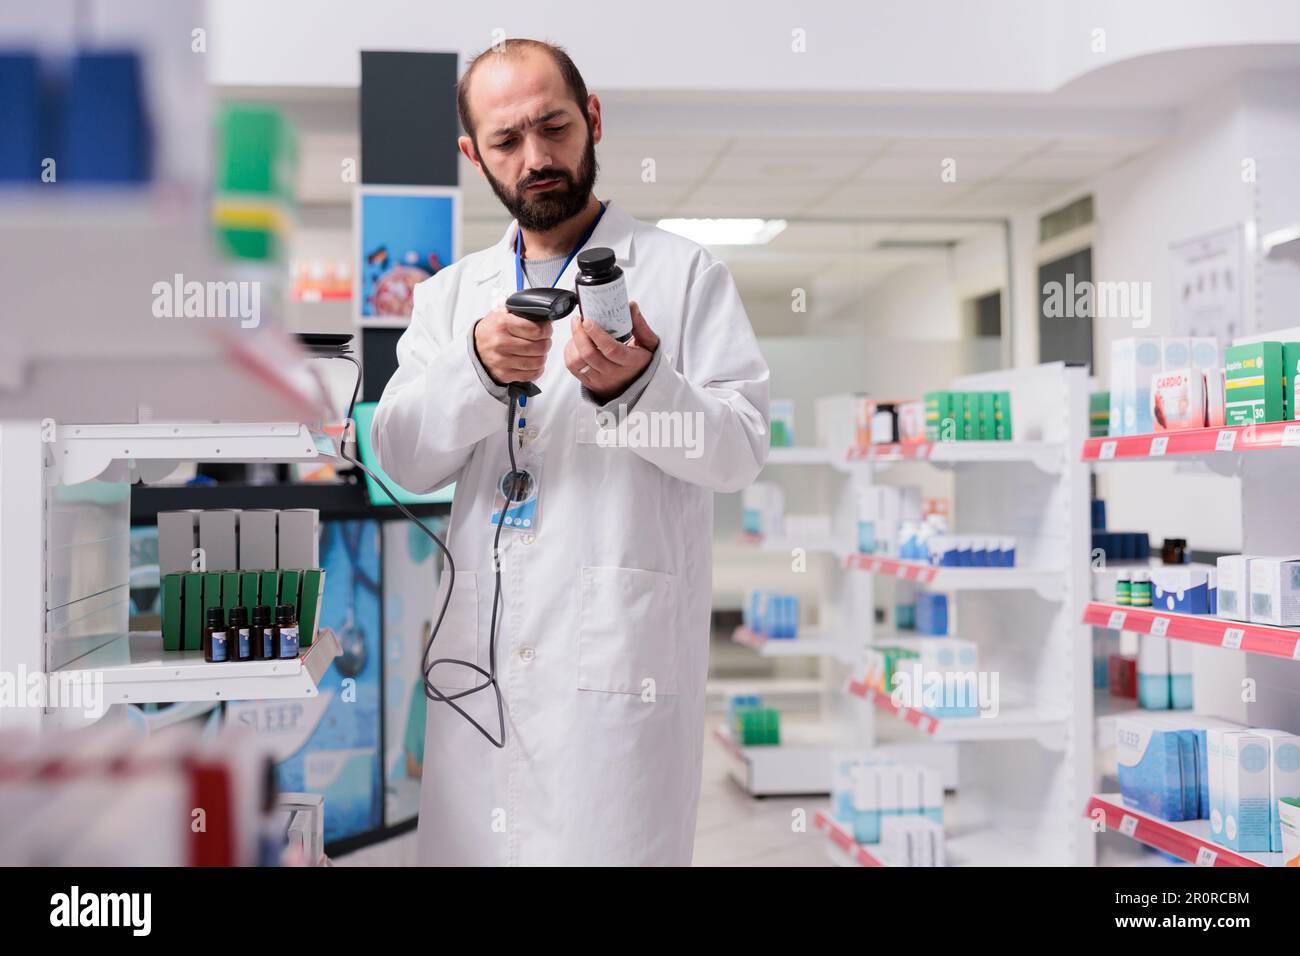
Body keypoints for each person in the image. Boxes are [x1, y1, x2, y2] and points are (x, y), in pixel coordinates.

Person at [371, 38, 769, 866]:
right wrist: (472, 372)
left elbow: (738, 452)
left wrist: (642, 388)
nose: (537, 157)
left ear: (592, 119)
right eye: (507, 141)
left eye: (553, 126)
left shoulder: (686, 275)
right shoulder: (448, 299)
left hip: (616, 688)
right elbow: (402, 458)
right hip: (478, 682)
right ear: (472, 154)